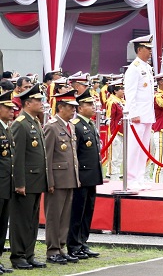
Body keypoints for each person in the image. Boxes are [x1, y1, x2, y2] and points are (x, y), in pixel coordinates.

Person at [9, 84, 49, 270]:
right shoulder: (20, 124)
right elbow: (17, 157)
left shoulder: (34, 122)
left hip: (36, 180)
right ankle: (18, 256)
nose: (41, 103)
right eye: (38, 100)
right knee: (21, 221)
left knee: (32, 221)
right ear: (27, 103)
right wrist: (19, 183)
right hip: (25, 181)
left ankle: (29, 253)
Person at [43, 90, 81, 265]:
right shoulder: (51, 127)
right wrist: (49, 180)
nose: (73, 110)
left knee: (65, 216)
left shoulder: (70, 126)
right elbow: (47, 157)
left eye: (74, 107)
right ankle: (52, 250)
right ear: (61, 107)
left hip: (69, 177)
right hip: (57, 179)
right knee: (54, 216)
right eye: (70, 107)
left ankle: (61, 247)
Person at [67, 90, 102, 260]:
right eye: (88, 104)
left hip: (91, 175)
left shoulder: (89, 124)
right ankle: (73, 244)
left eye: (92, 104)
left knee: (88, 211)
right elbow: (74, 154)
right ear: (80, 108)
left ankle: (83, 242)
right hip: (81, 176)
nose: (93, 107)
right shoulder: (76, 125)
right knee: (77, 212)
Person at [122, 35, 155, 191]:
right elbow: (130, 93)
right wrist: (133, 113)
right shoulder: (133, 68)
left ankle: (139, 177)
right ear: (139, 49)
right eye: (148, 49)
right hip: (137, 115)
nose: (150, 52)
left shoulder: (147, 68)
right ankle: (130, 178)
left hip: (147, 114)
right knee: (134, 148)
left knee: (143, 148)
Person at [0, 90, 19, 274]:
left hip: (6, 185)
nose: (12, 111)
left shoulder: (6, 127)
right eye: (8, 108)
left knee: (1, 224)